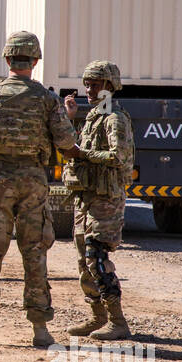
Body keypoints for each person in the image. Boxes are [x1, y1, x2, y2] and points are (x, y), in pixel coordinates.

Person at [0, 31, 86, 347]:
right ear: (35, 61)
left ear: (7, 60)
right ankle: (40, 329)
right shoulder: (47, 99)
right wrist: (67, 119)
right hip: (33, 184)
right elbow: (67, 143)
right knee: (35, 253)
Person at [63, 61, 135, 340]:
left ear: (109, 86)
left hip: (106, 199)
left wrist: (82, 155)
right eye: (87, 84)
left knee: (97, 258)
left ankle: (117, 322)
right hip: (86, 198)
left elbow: (120, 158)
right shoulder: (95, 115)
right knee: (84, 261)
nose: (89, 90)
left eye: (95, 84)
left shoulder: (114, 118)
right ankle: (97, 316)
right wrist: (70, 119)